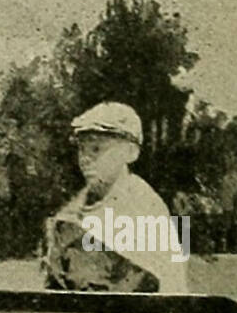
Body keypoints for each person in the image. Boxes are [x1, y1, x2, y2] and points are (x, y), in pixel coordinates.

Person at [42, 101, 189, 294]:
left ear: (131, 152)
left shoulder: (142, 206)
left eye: (96, 149)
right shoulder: (71, 212)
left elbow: (162, 287)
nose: (85, 158)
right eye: (81, 149)